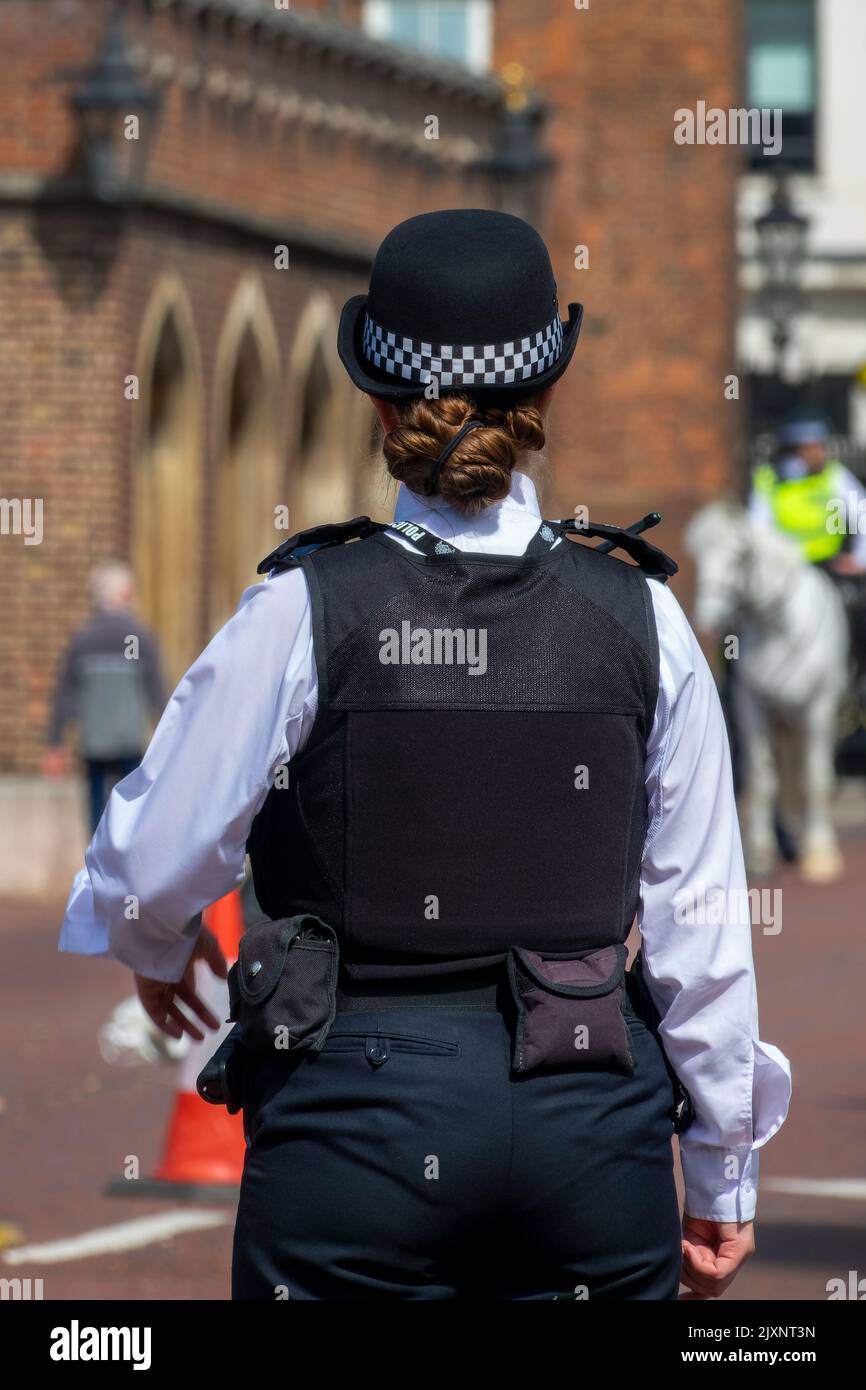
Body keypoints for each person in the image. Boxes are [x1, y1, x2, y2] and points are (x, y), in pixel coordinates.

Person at [59, 209, 791, 1301]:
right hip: (588, 1126)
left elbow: (158, 851)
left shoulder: (301, 608)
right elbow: (701, 931)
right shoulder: (642, 619)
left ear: (375, 402)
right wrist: (722, 1174)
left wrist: (155, 943)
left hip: (353, 1128)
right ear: (543, 397)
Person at [44, 560, 167, 832]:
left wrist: (55, 745)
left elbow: (64, 694)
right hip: (129, 741)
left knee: (96, 811)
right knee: (131, 812)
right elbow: (158, 694)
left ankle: (95, 867)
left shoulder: (83, 639)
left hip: (94, 742)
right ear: (124, 595)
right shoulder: (141, 637)